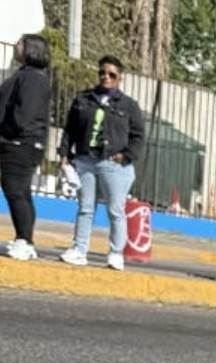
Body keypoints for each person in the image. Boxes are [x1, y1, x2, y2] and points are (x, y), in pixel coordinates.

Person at [58, 55, 142, 270]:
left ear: (120, 78)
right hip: (86, 160)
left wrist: (125, 156)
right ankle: (79, 249)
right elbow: (70, 129)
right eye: (102, 73)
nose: (106, 77)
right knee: (85, 207)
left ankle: (116, 253)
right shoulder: (84, 99)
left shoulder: (129, 106)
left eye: (112, 75)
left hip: (113, 163)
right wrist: (64, 153)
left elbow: (138, 136)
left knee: (115, 210)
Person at [0, 33, 50, 260]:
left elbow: (24, 114)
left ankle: (24, 239)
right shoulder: (27, 75)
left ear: (31, 49)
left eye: (20, 42)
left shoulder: (33, 78)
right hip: (22, 141)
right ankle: (25, 239)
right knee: (20, 190)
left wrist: (9, 135)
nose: (16, 45)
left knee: (15, 189)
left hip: (21, 142)